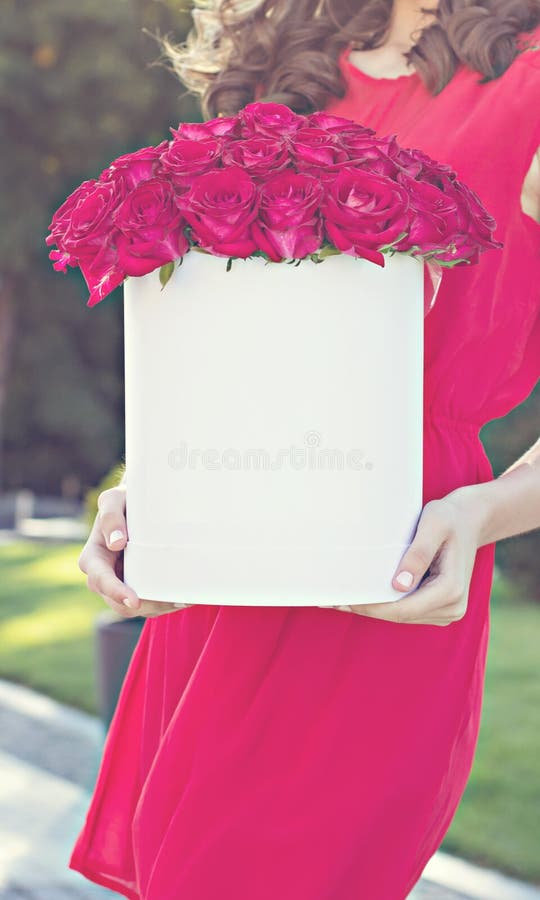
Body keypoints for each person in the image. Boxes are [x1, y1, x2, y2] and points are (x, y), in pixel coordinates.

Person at [69, 1, 540, 898]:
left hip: (394, 548)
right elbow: (230, 339)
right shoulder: (290, 54)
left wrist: (483, 514)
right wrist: (154, 485)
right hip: (225, 551)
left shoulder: (531, 79)